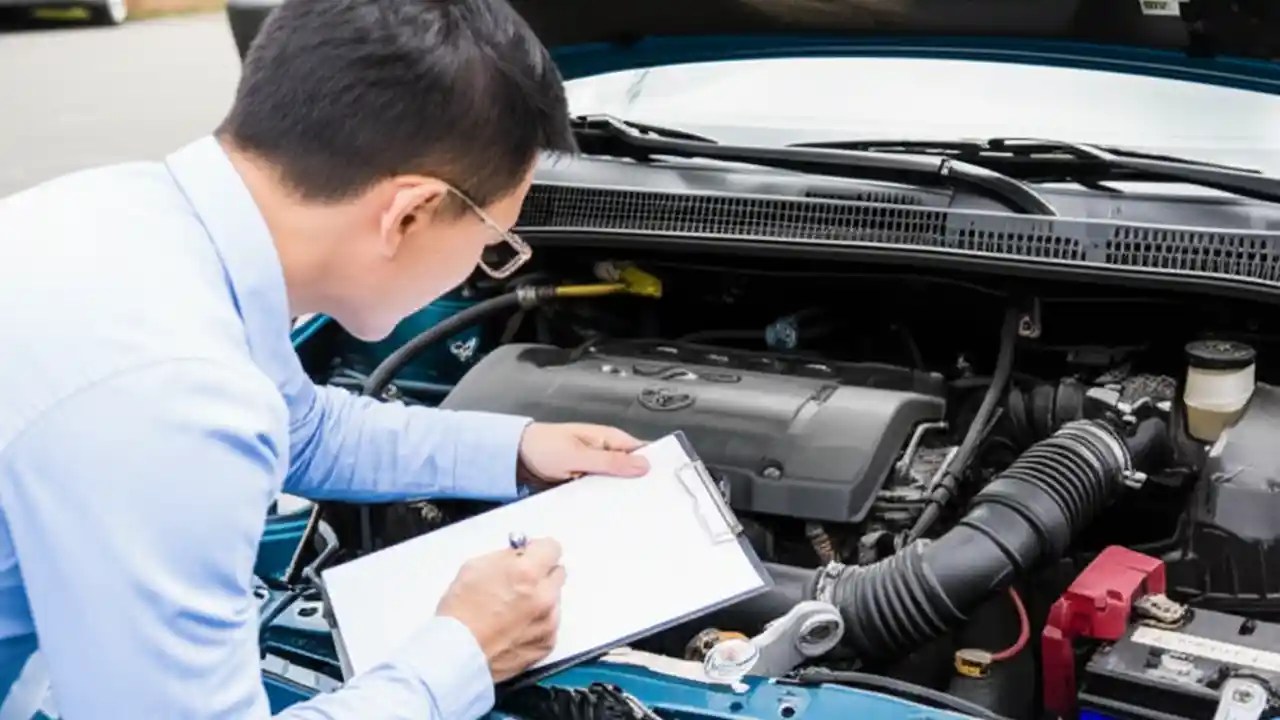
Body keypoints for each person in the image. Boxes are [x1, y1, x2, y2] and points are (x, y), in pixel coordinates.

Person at [0, 0, 651, 717]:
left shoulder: (121, 216)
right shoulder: (174, 394)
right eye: (496, 240)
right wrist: (464, 651)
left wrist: (517, 449)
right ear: (407, 214)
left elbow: (299, 428)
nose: (490, 265)